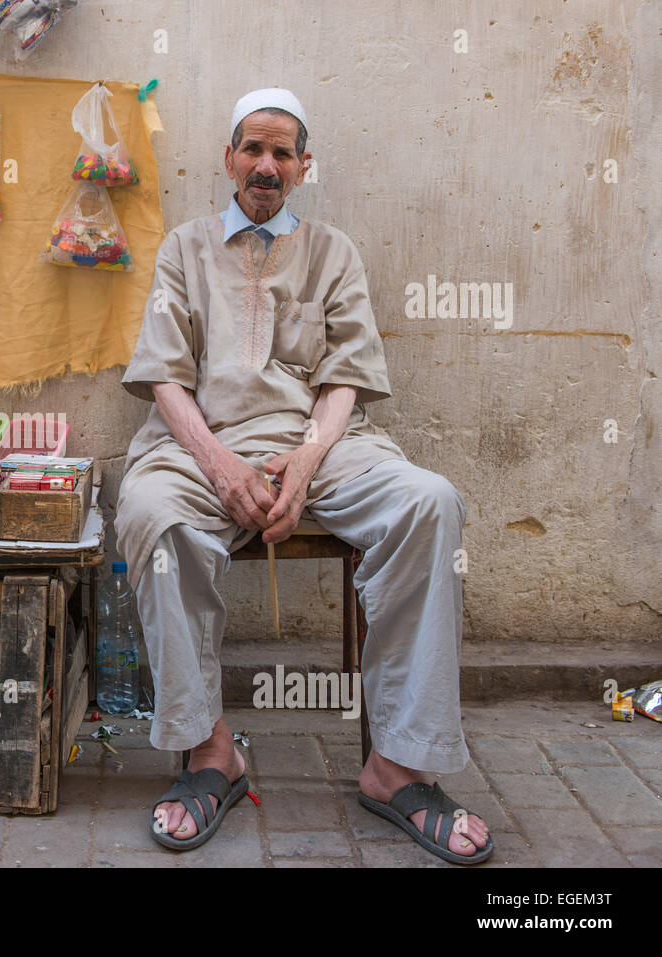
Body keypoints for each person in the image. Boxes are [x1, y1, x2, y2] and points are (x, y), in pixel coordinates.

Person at [115, 87, 493, 864]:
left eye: (283, 152)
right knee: (153, 513)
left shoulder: (334, 251)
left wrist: (308, 460)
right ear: (229, 158)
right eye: (252, 147)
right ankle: (209, 750)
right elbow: (163, 377)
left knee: (429, 501)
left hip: (320, 444)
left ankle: (398, 764)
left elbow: (346, 376)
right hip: (201, 443)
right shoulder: (185, 247)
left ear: (303, 167)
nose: (265, 163)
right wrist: (220, 466)